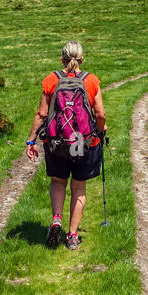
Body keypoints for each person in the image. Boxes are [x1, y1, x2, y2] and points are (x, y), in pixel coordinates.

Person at [25, 41, 106, 249]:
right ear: (82, 59)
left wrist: (31, 140)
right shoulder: (91, 81)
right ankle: (72, 236)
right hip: (84, 142)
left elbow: (42, 114)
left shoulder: (52, 80)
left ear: (62, 59)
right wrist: (101, 129)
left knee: (58, 181)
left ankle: (56, 219)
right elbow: (100, 114)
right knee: (78, 187)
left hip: (56, 142)